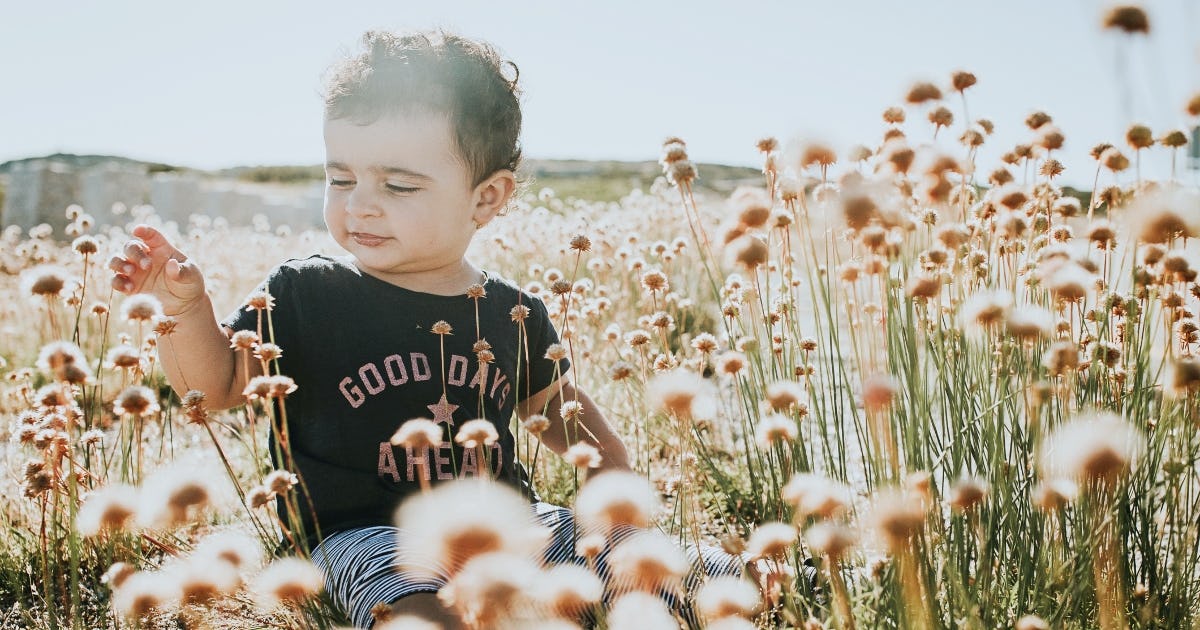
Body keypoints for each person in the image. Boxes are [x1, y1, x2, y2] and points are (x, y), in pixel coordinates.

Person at [109, 29, 746, 628]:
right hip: (365, 535)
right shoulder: (305, 293)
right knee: (415, 610)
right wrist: (183, 311)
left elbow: (552, 404)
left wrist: (612, 482)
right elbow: (217, 385)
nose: (360, 203)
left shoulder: (508, 310)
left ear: (486, 198)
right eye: (341, 178)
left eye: (399, 185)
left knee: (689, 573)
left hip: (512, 523)